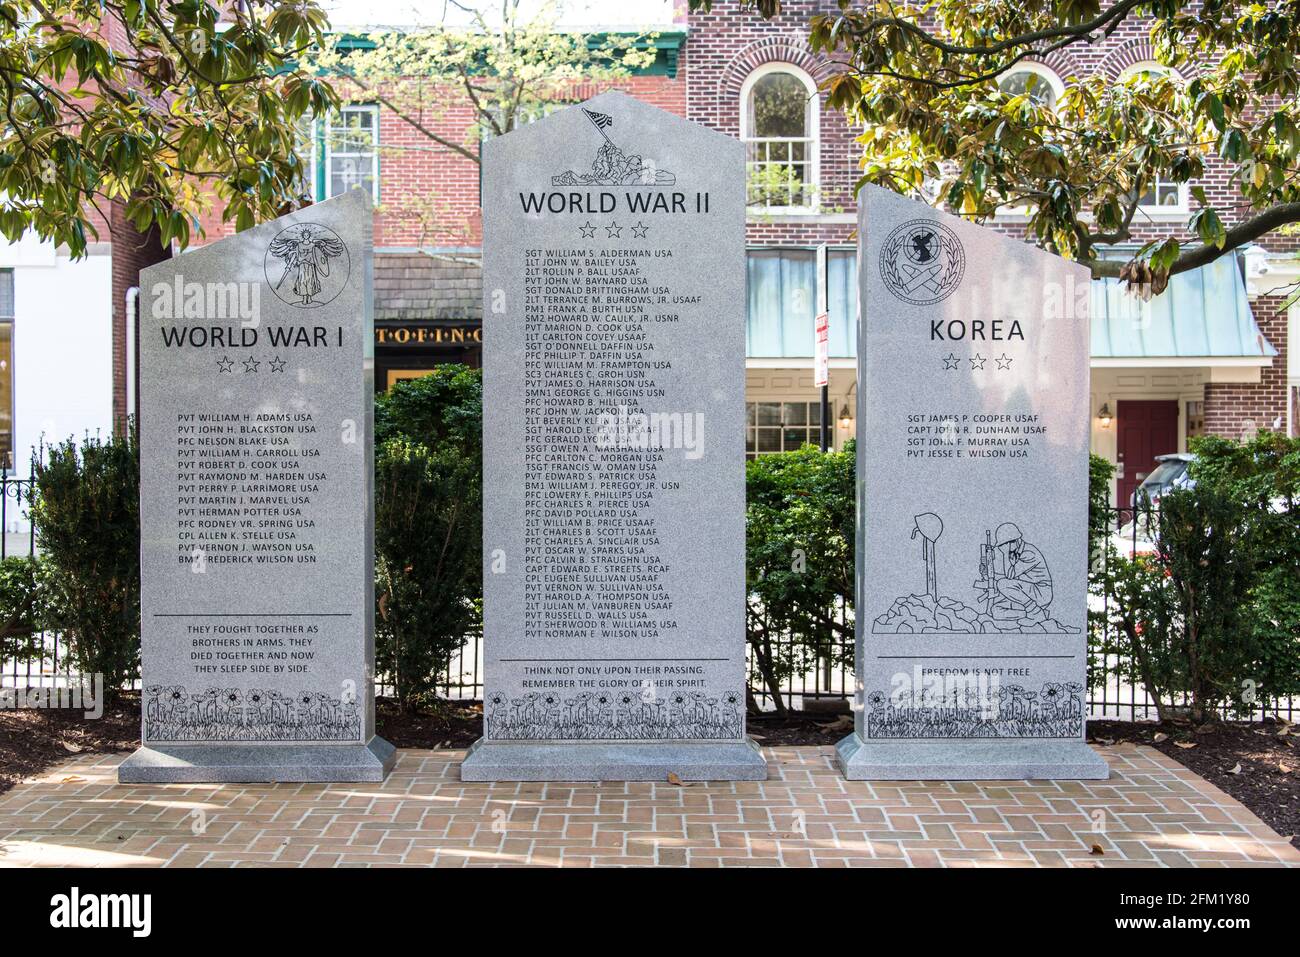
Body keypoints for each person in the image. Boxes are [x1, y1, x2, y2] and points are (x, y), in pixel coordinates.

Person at [983, 522, 1053, 623]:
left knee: (1002, 584)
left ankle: (1035, 612)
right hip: (1025, 593)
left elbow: (1009, 576)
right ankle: (1034, 613)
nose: (1002, 548)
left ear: (1013, 541)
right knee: (996, 610)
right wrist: (989, 574)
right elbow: (1011, 577)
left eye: (1003, 544)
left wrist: (1005, 554)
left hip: (1040, 592)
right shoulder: (1015, 553)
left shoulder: (1029, 553)